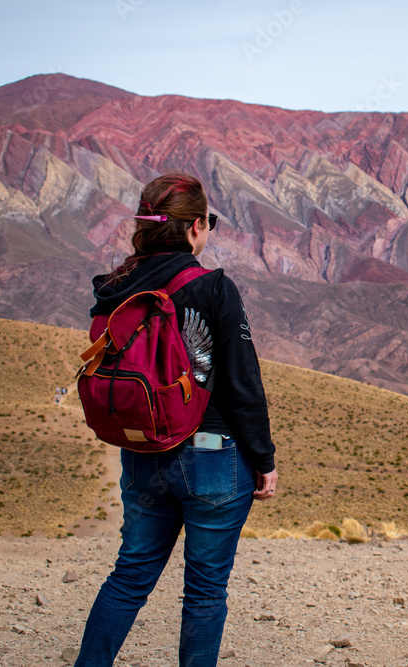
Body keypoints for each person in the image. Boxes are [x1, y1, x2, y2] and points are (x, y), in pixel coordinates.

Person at [75, 172, 278, 667]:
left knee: (130, 575)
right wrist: (263, 458)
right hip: (213, 457)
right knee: (205, 592)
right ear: (192, 228)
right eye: (207, 221)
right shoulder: (213, 289)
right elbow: (242, 382)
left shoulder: (116, 287)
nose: (208, 230)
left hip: (145, 447)